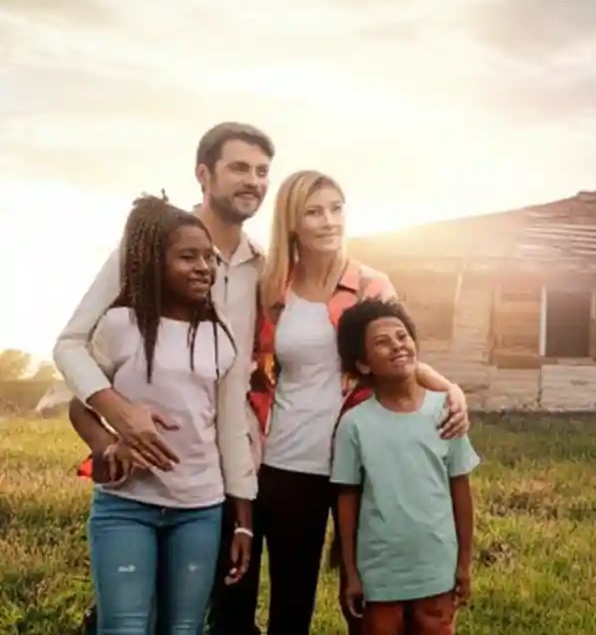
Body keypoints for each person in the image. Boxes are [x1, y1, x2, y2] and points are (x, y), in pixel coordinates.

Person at [218, 169, 470, 635]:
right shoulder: (271, 286)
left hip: (362, 460)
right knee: (289, 604)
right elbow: (243, 367)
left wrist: (448, 387)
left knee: (369, 599)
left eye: (336, 208)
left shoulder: (373, 284)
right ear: (292, 222)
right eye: (314, 212)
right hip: (287, 460)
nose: (329, 221)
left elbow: (399, 356)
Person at [56, 121, 276, 633]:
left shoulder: (263, 265)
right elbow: (72, 345)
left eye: (263, 171)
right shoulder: (145, 249)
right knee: (126, 616)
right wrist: (117, 416)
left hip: (216, 474)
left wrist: (242, 506)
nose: (253, 181)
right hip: (135, 484)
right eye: (239, 167)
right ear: (204, 173)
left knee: (212, 615)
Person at [331, 298, 479, 635]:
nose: (398, 346)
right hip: (380, 572)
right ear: (364, 365)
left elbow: (461, 492)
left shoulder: (447, 412)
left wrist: (464, 563)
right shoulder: (355, 425)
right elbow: (347, 501)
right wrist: (351, 573)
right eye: (382, 342)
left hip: (435, 567)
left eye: (402, 336)